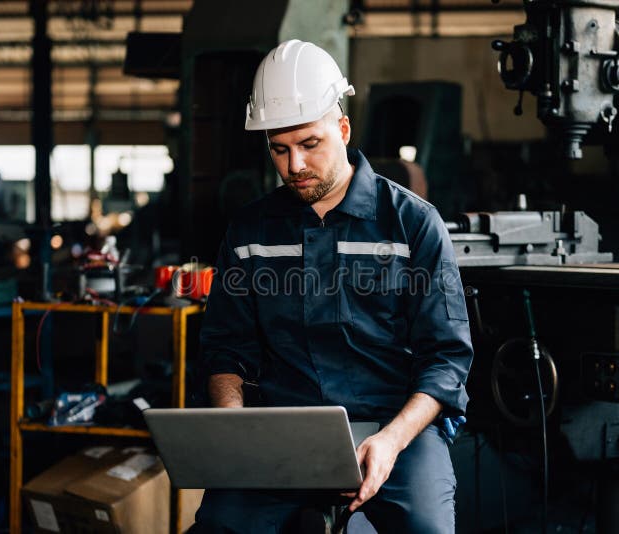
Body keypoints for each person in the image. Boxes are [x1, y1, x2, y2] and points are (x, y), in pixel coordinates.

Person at [195, 39, 473, 533]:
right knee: (220, 526)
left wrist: (391, 441)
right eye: (279, 149)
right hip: (281, 430)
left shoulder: (412, 224)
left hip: (394, 429)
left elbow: (446, 359)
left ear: (342, 129)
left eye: (310, 145)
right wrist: (235, 427)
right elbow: (226, 348)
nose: (295, 166)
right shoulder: (250, 232)